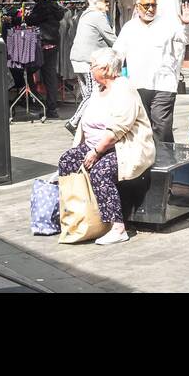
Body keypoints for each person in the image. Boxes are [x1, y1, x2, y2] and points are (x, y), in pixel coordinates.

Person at [56, 48, 155, 245]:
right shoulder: (97, 89)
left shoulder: (124, 90)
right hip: (96, 145)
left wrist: (96, 152)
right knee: (67, 161)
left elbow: (118, 129)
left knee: (100, 172)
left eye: (92, 65)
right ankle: (76, 214)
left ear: (105, 68)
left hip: (123, 148)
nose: (90, 69)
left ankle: (118, 228)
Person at [113, 0, 189, 143]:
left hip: (164, 85)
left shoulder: (167, 24)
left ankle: (166, 160)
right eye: (146, 6)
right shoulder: (129, 27)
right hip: (138, 84)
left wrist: (188, 25)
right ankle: (146, 161)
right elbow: (118, 52)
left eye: (153, 5)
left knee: (162, 126)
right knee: (142, 127)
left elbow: (187, 38)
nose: (150, 9)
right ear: (137, 7)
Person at [13, 0, 66, 118]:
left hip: (42, 44)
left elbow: (31, 20)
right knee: (50, 76)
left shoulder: (43, 6)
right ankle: (51, 108)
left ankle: (36, 100)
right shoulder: (55, 5)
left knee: (26, 69)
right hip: (53, 43)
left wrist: (14, 20)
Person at [67, 0, 115, 131]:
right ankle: (73, 122)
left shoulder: (85, 14)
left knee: (88, 94)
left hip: (78, 59)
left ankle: (84, 124)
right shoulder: (98, 15)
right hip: (88, 61)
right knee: (92, 95)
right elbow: (110, 38)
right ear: (95, 3)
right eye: (105, 1)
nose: (108, 4)